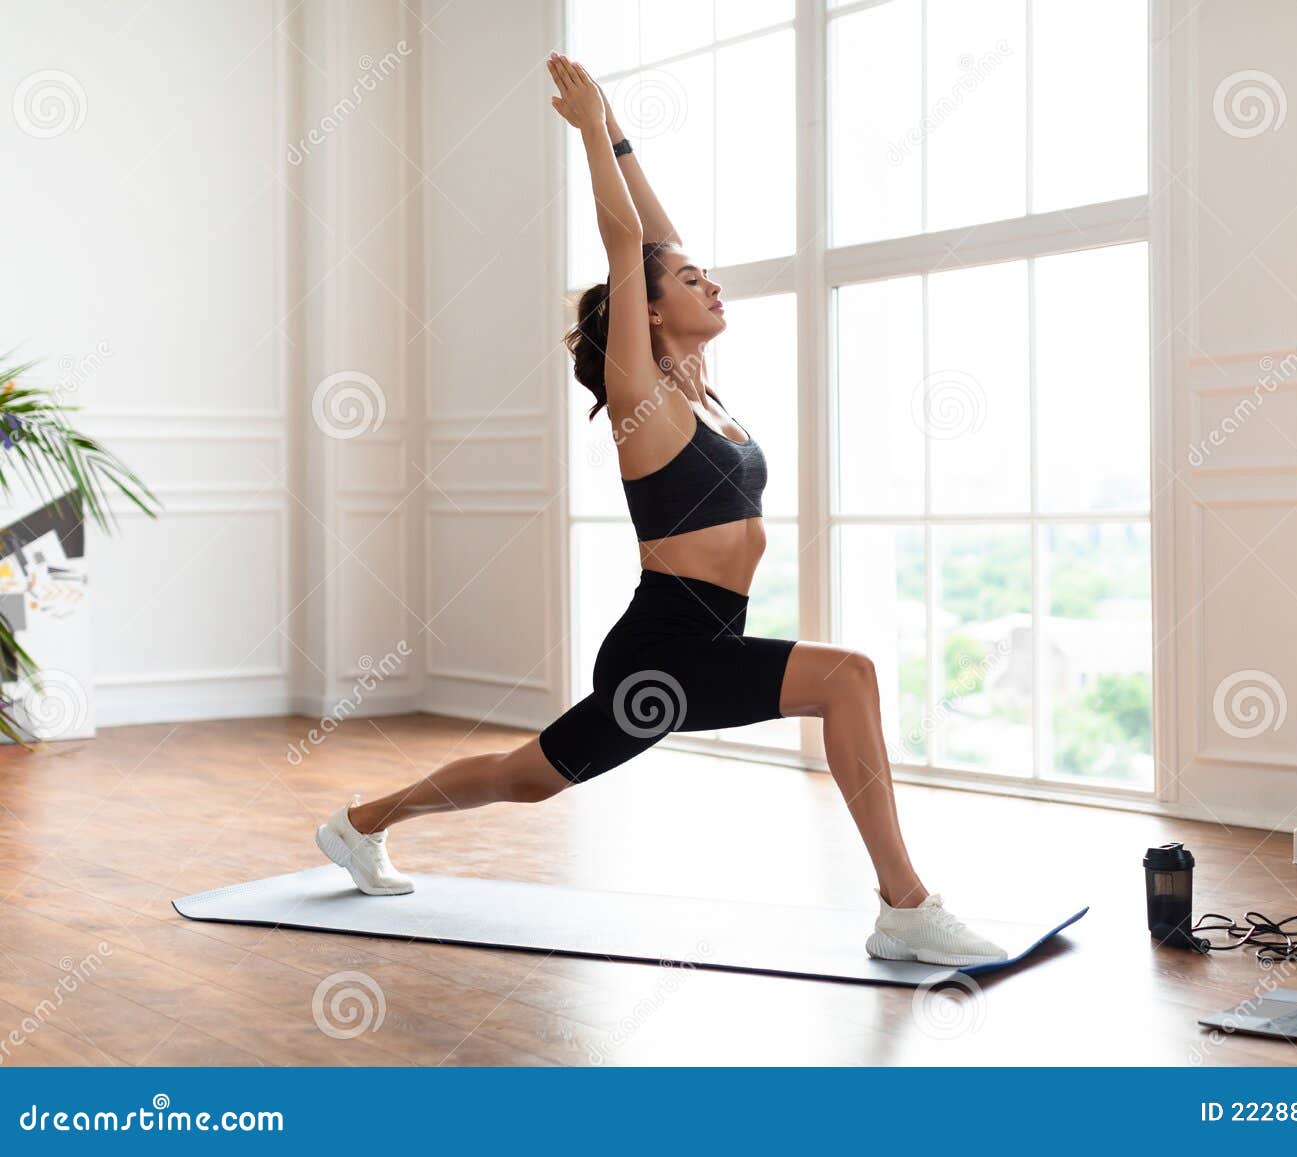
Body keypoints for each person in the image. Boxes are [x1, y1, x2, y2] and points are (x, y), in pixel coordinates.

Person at [315, 50, 1004, 967]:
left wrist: (627, 139)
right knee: (845, 677)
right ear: (647, 314)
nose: (710, 284)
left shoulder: (699, 387)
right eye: (690, 281)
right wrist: (594, 130)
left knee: (525, 776)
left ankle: (362, 822)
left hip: (704, 638)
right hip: (664, 651)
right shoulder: (641, 396)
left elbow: (651, 242)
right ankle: (905, 905)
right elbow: (625, 243)